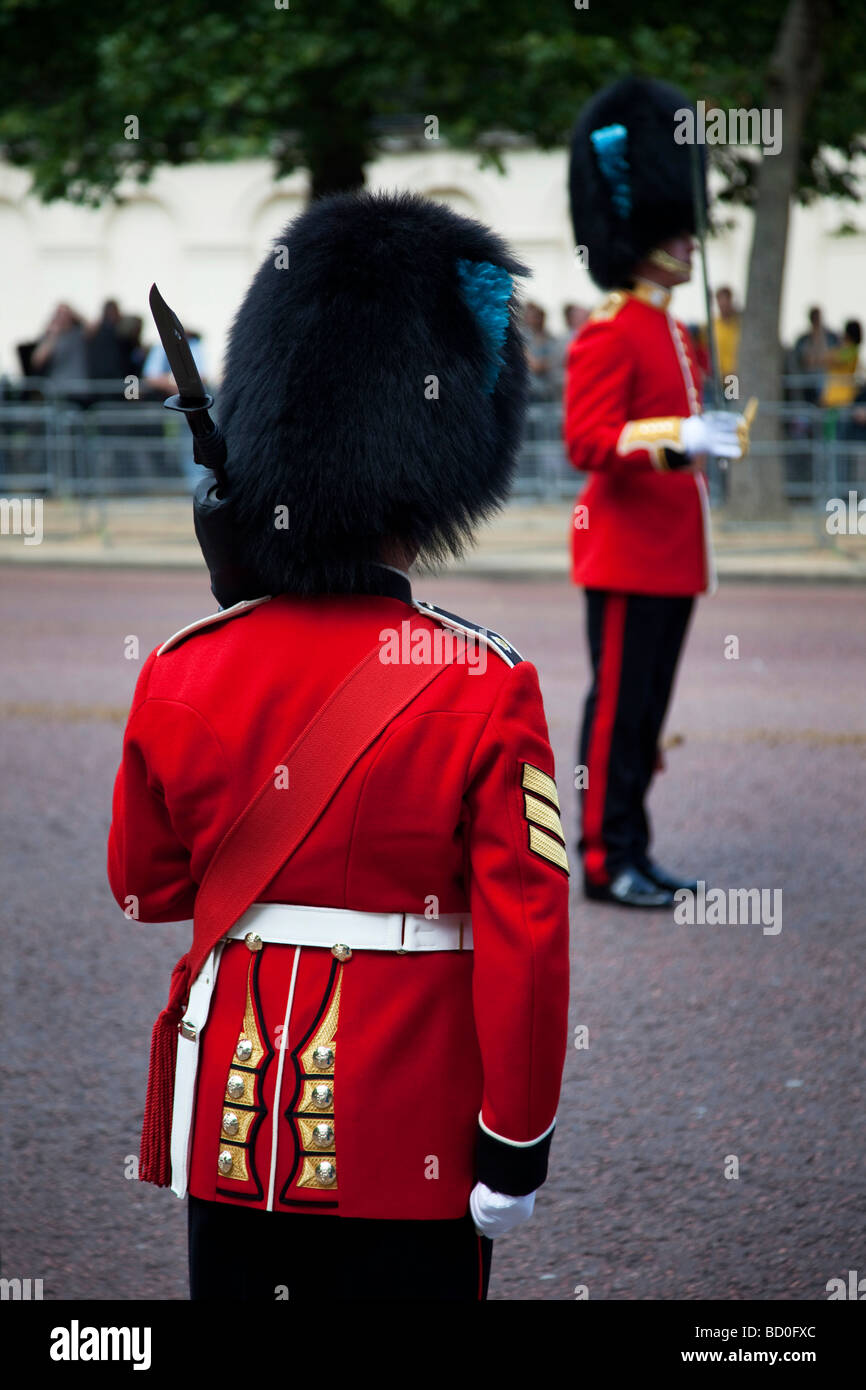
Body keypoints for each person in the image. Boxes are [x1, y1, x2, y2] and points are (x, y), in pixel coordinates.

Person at [107, 190, 570, 1301]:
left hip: (234, 1135)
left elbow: (146, 884)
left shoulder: (182, 666)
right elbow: (527, 937)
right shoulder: (485, 680)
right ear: (437, 466)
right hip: (405, 1144)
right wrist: (512, 1138)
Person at [563, 76, 752, 909]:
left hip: (673, 556)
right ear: (639, 238)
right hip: (627, 553)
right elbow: (586, 442)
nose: (687, 242)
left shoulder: (675, 331)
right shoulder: (609, 331)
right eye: (674, 232)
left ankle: (637, 845)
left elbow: (672, 436)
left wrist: (703, 435)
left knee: (646, 717)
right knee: (617, 714)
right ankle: (605, 859)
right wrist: (676, 438)